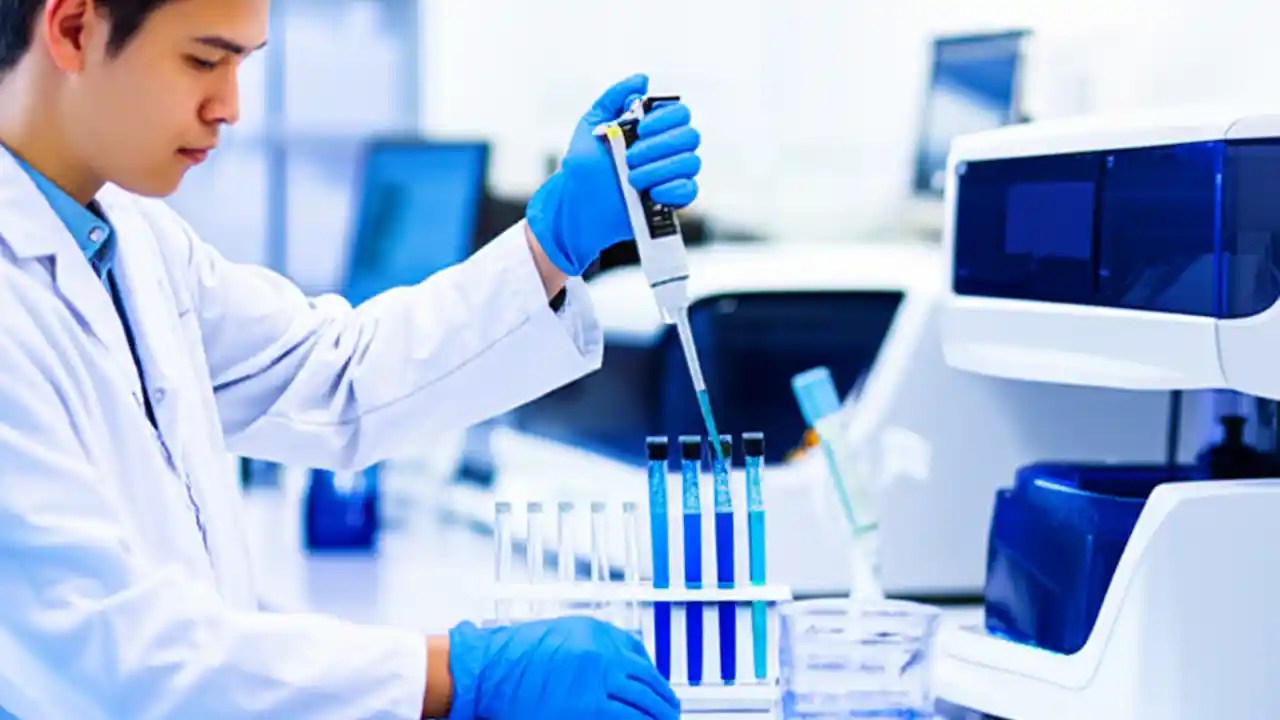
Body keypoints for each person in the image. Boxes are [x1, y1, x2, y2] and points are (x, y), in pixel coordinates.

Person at [0, 0, 703, 718]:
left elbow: (336, 374)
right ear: (73, 28)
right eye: (204, 61)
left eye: (243, 64)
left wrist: (552, 247)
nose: (230, 107)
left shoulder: (134, 239)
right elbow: (119, 662)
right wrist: (461, 675)